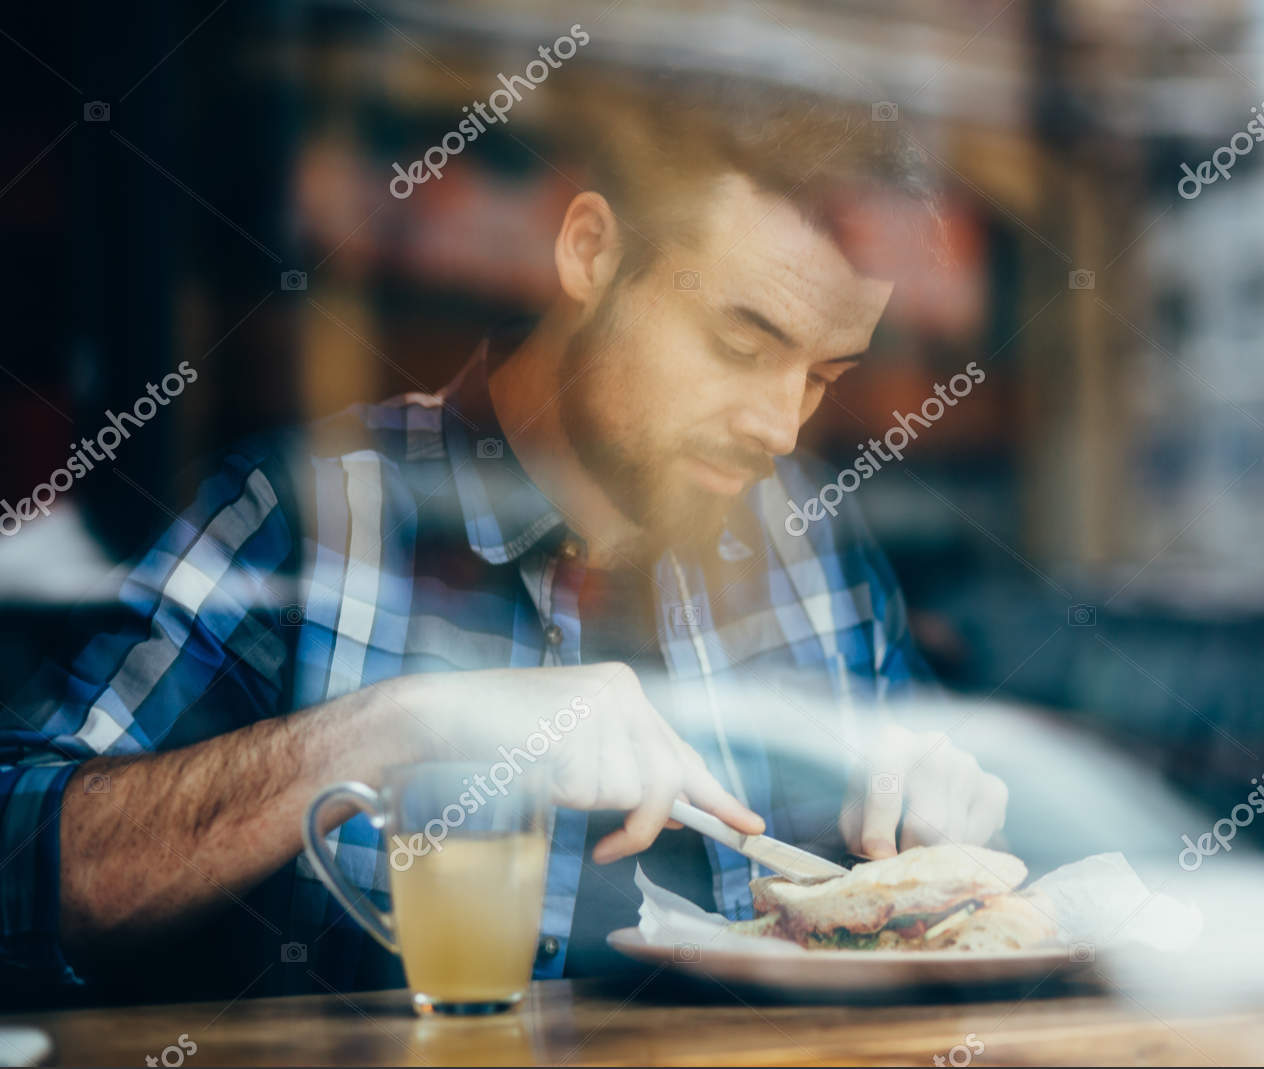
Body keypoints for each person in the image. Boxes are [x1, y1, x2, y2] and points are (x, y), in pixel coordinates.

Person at [0, 71, 1007, 999]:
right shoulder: (308, 521)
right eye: (740, 346)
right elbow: (23, 860)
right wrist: (404, 729)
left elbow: (920, 907)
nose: (780, 426)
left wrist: (934, 823)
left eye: (826, 375)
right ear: (589, 254)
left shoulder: (813, 555)